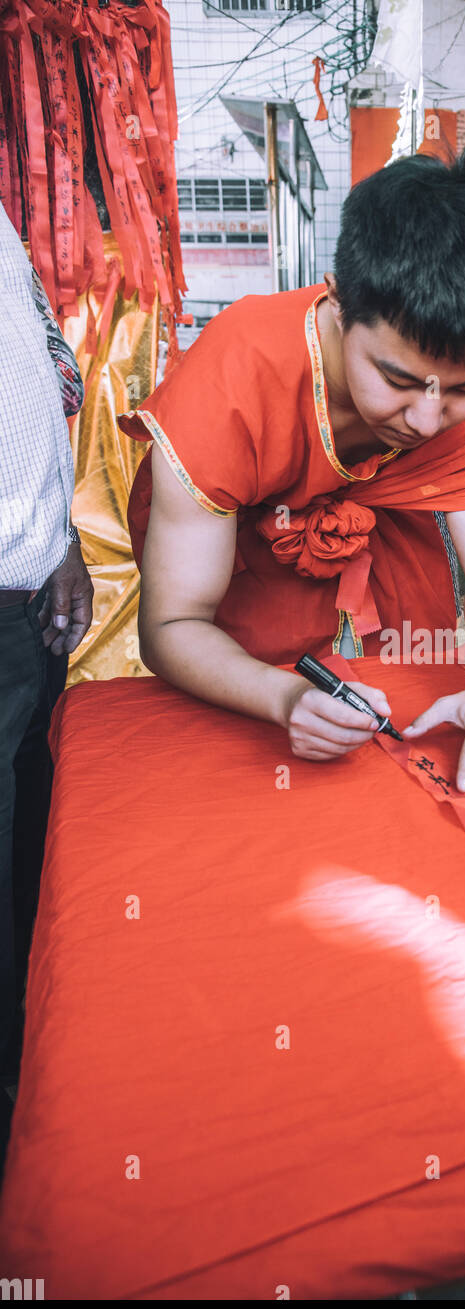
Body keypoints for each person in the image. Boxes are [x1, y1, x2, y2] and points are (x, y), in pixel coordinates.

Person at [119, 146, 465, 803]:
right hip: (250, 571)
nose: (428, 422)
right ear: (340, 304)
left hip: (393, 554)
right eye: (398, 380)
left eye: (461, 390)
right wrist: (283, 696)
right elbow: (172, 626)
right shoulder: (236, 375)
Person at [0, 199, 93, 1111]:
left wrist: (61, 537)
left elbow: (35, 371)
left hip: (31, 598)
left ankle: (32, 1074)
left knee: (32, 841)